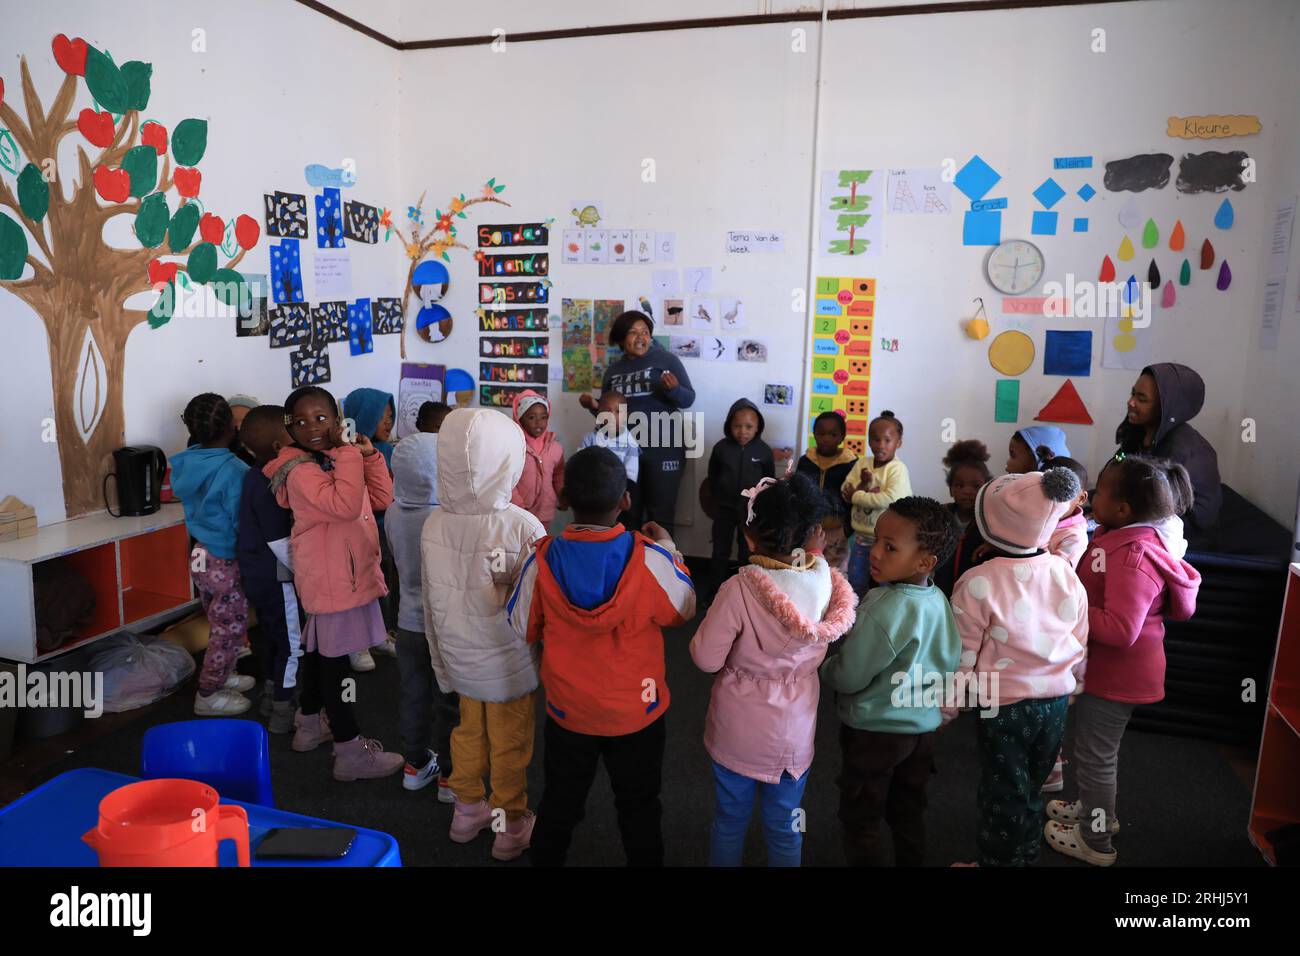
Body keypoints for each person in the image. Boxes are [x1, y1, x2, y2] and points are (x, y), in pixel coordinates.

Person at [507, 447, 696, 866]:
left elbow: (521, 627)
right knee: (640, 805)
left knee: (560, 801)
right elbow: (682, 609)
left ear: (565, 498)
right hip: (638, 711)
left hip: (569, 710)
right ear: (625, 500)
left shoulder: (541, 558)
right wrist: (670, 549)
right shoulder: (651, 556)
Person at [693, 473, 856, 867]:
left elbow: (706, 658)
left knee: (729, 820)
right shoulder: (826, 582)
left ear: (749, 538)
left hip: (737, 731)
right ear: (815, 538)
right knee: (786, 824)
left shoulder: (739, 589)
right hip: (793, 736)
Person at [1045, 455, 1201, 867]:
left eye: (1101, 490)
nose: (1093, 494)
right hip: (1107, 673)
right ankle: (1095, 811)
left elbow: (1120, 628)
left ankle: (1095, 842)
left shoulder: (1133, 556)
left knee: (1097, 756)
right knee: (1089, 748)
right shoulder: (1121, 539)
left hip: (1119, 678)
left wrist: (1071, 608)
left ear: (1124, 509)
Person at [945, 468, 1089, 867]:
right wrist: (1073, 685)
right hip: (1055, 702)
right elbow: (1079, 639)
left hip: (1001, 703)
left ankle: (998, 862)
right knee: (1032, 785)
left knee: (1001, 788)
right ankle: (1024, 856)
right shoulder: (1065, 572)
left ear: (989, 523)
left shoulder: (976, 581)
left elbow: (962, 655)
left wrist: (947, 705)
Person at [421, 408, 546, 861]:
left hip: (459, 660)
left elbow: (431, 602)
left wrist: (441, 664)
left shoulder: (434, 522)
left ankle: (467, 810)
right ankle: (510, 826)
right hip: (509, 664)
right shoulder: (523, 525)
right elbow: (535, 606)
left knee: (467, 734)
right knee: (510, 745)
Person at [264, 386, 404, 781]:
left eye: (322, 418)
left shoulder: (329, 460)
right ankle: (349, 750)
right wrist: (347, 454)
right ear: (288, 427)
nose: (312, 427)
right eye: (301, 421)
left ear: (338, 419)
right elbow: (345, 506)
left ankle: (309, 725)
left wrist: (370, 455)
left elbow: (380, 497)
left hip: (344, 577)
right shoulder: (302, 472)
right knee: (336, 669)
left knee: (323, 656)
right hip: (333, 582)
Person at [820, 497, 959, 866]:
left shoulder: (882, 607)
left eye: (890, 547)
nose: (875, 552)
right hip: (922, 731)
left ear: (925, 562)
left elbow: (849, 675)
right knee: (908, 811)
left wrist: (825, 667)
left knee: (861, 817)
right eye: (877, 540)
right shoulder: (938, 599)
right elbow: (949, 661)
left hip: (874, 734)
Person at [386, 428, 461, 799]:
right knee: (449, 699)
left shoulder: (393, 513)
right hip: (445, 625)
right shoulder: (448, 518)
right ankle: (450, 775)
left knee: (412, 693)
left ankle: (414, 764)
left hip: (408, 622)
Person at [171, 393, 254, 716]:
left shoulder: (186, 461)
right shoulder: (235, 470)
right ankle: (208, 693)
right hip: (224, 558)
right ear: (233, 427)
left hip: (200, 556)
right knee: (229, 627)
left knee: (217, 620)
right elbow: (240, 521)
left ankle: (225, 674)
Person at [578, 311, 696, 533]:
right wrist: (594, 408)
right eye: (633, 332)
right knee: (626, 512)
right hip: (623, 451)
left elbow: (688, 399)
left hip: (664, 449)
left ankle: (662, 564)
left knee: (661, 515)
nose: (641, 337)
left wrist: (675, 389)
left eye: (645, 332)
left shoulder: (667, 360)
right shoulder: (613, 372)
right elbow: (608, 417)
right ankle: (630, 564)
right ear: (622, 339)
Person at [234, 405, 302, 733]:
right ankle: (283, 711)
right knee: (292, 643)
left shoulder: (252, 474)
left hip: (256, 574)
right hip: (279, 576)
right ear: (279, 446)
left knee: (273, 637)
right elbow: (280, 541)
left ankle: (272, 693)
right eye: (293, 431)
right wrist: (306, 572)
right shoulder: (272, 481)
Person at [1115, 363, 1221, 548]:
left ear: (1166, 407)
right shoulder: (1138, 434)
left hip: (1184, 531)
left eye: (1142, 398)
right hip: (1148, 511)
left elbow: (1157, 506)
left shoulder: (1181, 449)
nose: (1131, 402)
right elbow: (1118, 467)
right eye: (1133, 394)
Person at [342, 387, 400, 669]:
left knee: (382, 585)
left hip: (384, 532)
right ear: (363, 417)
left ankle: (378, 634)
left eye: (391, 415)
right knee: (359, 586)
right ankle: (358, 642)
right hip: (359, 533)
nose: (388, 422)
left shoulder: (390, 450)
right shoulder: (347, 455)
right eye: (381, 416)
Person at [704, 398, 774, 600]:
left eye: (749, 426)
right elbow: (713, 476)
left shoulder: (763, 451)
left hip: (751, 513)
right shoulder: (721, 448)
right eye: (737, 426)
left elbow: (767, 481)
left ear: (758, 426)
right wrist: (717, 501)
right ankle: (714, 592)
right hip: (724, 509)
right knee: (720, 551)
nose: (743, 431)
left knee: (747, 553)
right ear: (729, 425)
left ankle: (745, 595)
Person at [841, 411, 912, 596]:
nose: (880, 445)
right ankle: (855, 616)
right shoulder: (863, 463)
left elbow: (889, 500)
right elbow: (845, 490)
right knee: (855, 579)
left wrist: (857, 495)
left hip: (888, 541)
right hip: (860, 537)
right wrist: (862, 486)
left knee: (885, 583)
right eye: (874, 439)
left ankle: (881, 615)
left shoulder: (897, 469)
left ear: (899, 443)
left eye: (887, 440)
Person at [795, 411, 857, 572]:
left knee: (835, 574)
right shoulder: (805, 461)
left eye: (833, 434)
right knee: (804, 570)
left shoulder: (851, 464)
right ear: (814, 434)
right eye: (821, 433)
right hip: (807, 528)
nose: (826, 438)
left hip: (837, 530)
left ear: (842, 437)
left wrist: (845, 530)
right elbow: (797, 493)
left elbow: (855, 502)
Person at [933, 439, 991, 596]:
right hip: (940, 590)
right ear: (951, 489)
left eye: (975, 486)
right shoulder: (940, 516)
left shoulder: (990, 521)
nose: (967, 491)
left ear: (986, 488)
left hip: (972, 594)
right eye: (959, 485)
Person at [579, 391, 640, 528]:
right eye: (607, 411)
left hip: (618, 498)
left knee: (622, 528)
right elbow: (580, 467)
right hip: (592, 495)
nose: (612, 416)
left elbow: (631, 476)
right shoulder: (590, 439)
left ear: (626, 416)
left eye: (618, 412)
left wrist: (622, 498)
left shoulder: (630, 443)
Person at [511, 390, 565, 529]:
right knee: (521, 548)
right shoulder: (513, 447)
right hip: (519, 514)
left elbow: (559, 475)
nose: (538, 422)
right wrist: (520, 507)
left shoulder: (555, 448)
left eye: (543, 417)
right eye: (531, 417)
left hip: (545, 513)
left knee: (542, 547)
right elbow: (508, 480)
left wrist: (562, 496)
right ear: (519, 418)